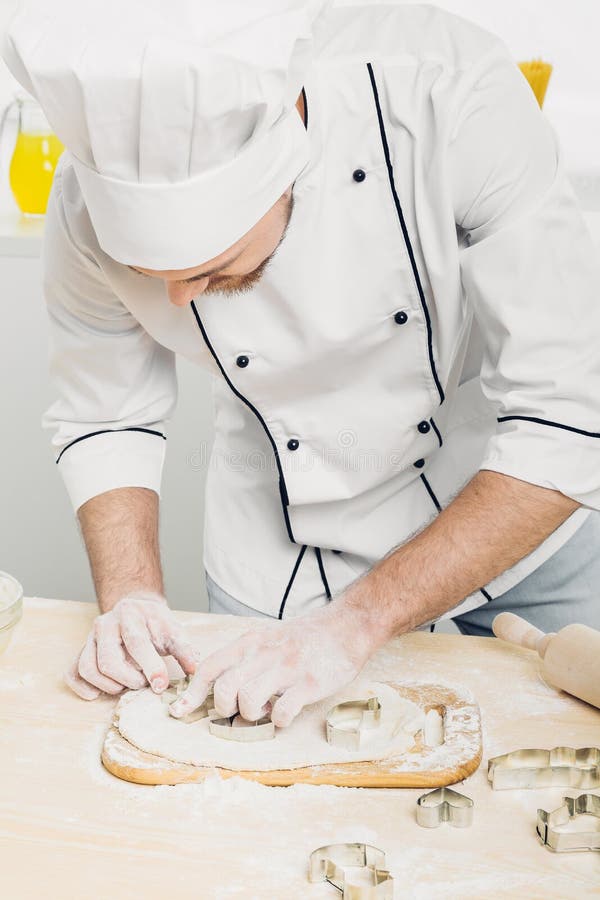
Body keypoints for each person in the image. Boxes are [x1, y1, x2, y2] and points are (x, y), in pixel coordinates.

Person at [5, 1, 599, 727]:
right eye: (147, 271)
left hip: (515, 514)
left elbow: (565, 413)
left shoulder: (450, 93)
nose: (178, 299)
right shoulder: (79, 204)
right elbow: (105, 414)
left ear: (289, 167)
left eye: (214, 271)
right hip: (281, 551)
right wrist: (132, 595)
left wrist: (355, 625)